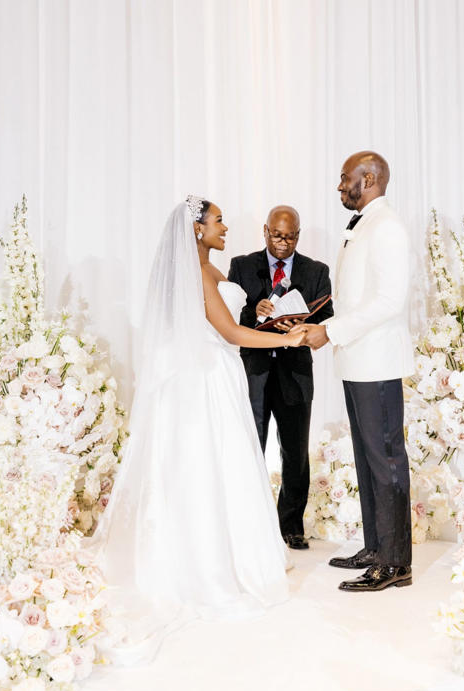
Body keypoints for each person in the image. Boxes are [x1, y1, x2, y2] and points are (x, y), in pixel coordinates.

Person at [89, 196, 306, 658]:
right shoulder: (198, 273)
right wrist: (287, 337)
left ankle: (228, 550)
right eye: (219, 221)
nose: (226, 228)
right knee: (212, 467)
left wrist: (264, 314)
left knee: (219, 467)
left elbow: (225, 323)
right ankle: (211, 563)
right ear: (195, 229)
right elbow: (229, 334)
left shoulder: (209, 272)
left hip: (217, 373)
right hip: (208, 379)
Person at [295, 152, 414, 592]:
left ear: (367, 179)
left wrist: (331, 332)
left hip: (377, 361)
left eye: (345, 178)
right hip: (359, 359)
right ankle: (376, 546)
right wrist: (316, 318)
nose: (339, 185)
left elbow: (388, 301)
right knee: (368, 459)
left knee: (385, 460)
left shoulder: (387, 227)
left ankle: (395, 562)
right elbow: (354, 295)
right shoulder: (365, 224)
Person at [228, 206, 332, 550]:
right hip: (253, 372)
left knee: (295, 453)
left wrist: (304, 327)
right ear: (265, 231)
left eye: (290, 236)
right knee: (249, 448)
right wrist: (253, 310)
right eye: (277, 235)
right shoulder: (242, 266)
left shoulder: (316, 270)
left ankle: (290, 526)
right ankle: (250, 523)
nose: (283, 242)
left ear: (298, 235)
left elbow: (327, 319)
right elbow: (228, 316)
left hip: (295, 373)